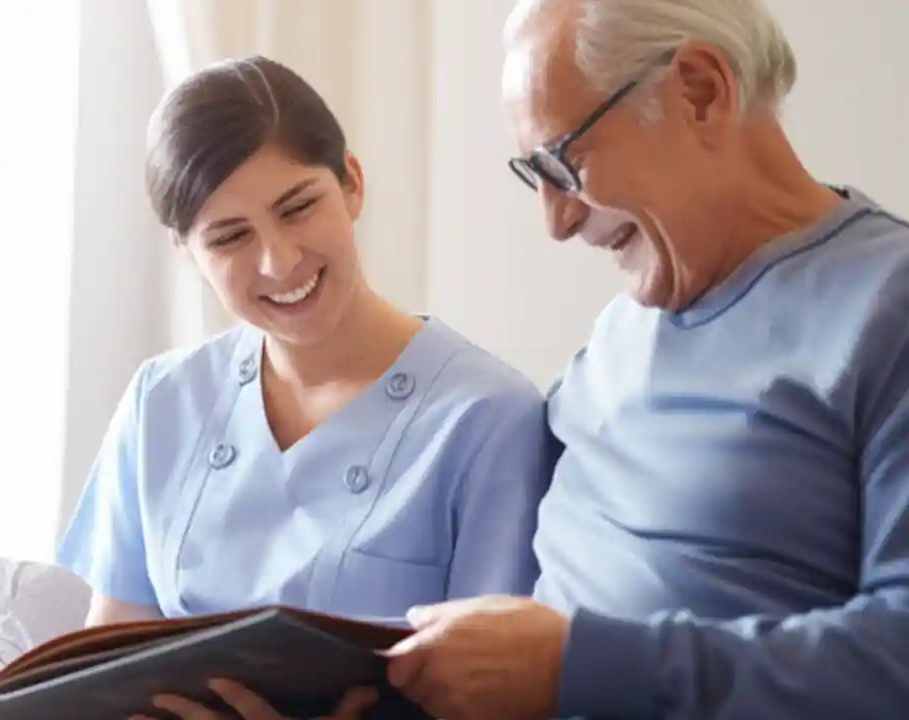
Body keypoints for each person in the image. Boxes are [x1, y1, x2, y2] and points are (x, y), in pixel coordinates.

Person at [385, 0, 909, 718]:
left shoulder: (888, 309)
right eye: (531, 174)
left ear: (699, 90)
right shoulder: (618, 331)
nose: (557, 221)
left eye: (562, 162)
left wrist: (578, 667)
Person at [52, 55, 551, 720]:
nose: (278, 261)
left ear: (351, 183)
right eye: (229, 237)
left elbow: (505, 701)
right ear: (188, 255)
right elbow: (112, 658)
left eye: (298, 208)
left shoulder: (489, 419)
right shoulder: (162, 403)